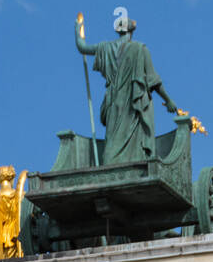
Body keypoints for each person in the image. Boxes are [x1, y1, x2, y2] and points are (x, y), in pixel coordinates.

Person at [74, 13, 184, 165]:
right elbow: (153, 80)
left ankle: (111, 167)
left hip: (115, 105)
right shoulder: (140, 49)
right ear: (131, 30)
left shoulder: (106, 48)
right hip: (134, 106)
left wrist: (78, 28)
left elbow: (82, 47)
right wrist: (168, 100)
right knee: (136, 148)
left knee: (111, 146)